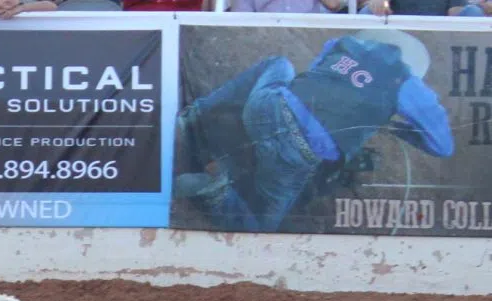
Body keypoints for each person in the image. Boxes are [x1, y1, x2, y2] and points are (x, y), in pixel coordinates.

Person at [174, 29, 454, 233]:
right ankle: (215, 191)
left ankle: (194, 115)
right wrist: (400, 129)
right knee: (261, 226)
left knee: (279, 64)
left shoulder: (343, 44)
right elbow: (443, 146)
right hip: (298, 153)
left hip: (266, 109)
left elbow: (315, 76)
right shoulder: (405, 81)